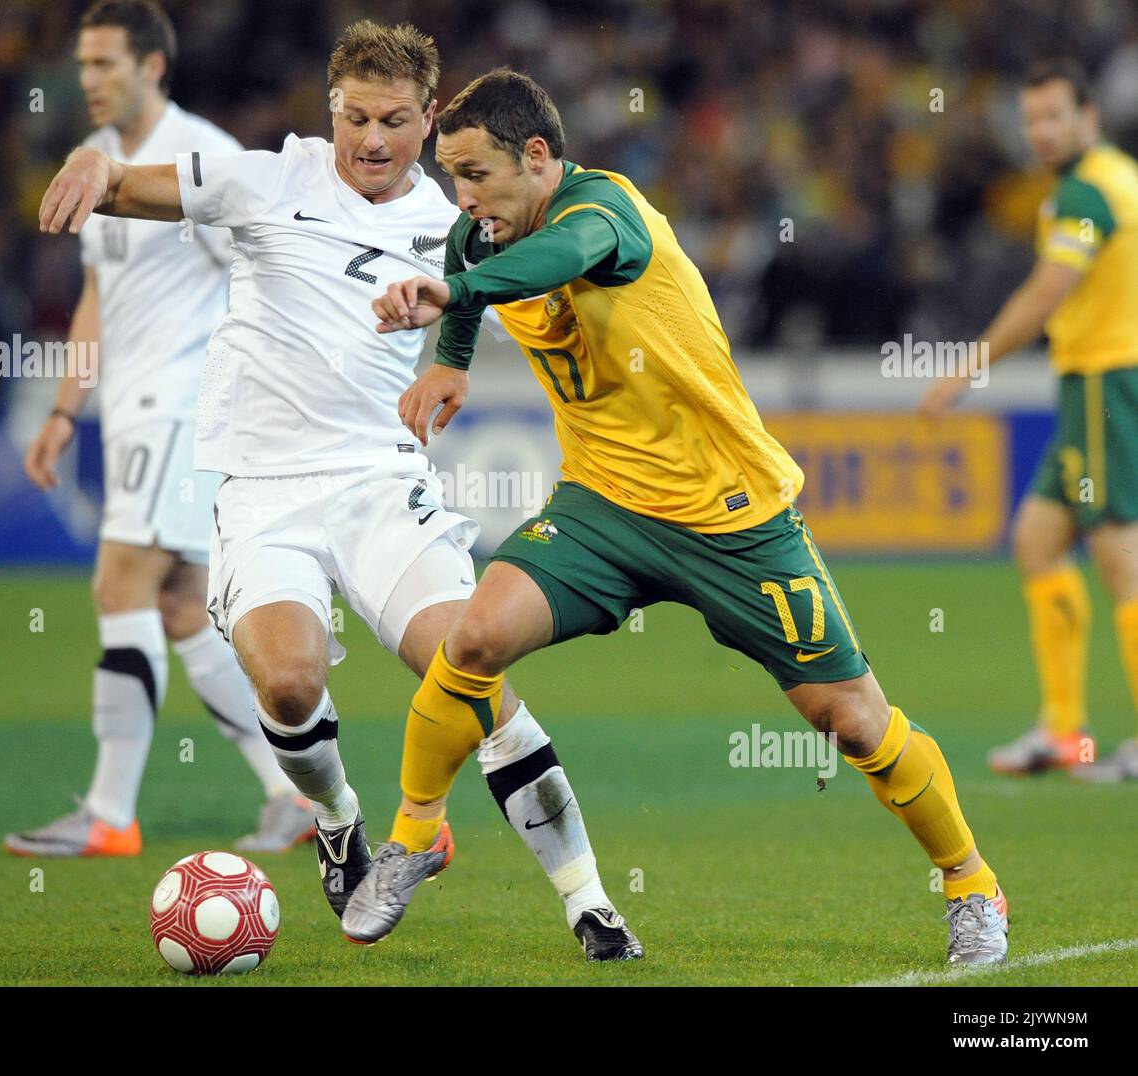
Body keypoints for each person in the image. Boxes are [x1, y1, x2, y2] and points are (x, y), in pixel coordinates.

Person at [346, 68, 1008, 966]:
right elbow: (471, 262)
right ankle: (415, 835)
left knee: (850, 718)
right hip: (603, 507)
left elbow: (551, 262)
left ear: (538, 157)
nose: (463, 200)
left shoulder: (603, 216)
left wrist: (457, 300)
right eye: (451, 176)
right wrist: (453, 358)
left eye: (478, 175)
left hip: (730, 514)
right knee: (474, 637)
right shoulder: (482, 232)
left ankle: (970, 884)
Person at [36, 23, 639, 957]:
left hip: (381, 482)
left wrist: (454, 358)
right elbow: (126, 182)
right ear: (331, 111)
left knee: (470, 670)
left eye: (394, 121)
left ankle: (590, 902)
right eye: (355, 116)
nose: (371, 138)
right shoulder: (269, 179)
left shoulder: (456, 227)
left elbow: (519, 300)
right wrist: (88, 161)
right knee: (287, 681)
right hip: (265, 487)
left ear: (429, 119)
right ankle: (339, 819)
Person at [7, 0, 313, 858]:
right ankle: (293, 795)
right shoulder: (99, 162)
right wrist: (66, 410)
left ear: (153, 67)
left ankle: (109, 813)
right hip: (130, 408)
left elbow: (263, 276)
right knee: (181, 606)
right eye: (83, 65)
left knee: (119, 587)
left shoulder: (204, 160)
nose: (89, 80)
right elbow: (98, 297)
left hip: (182, 408)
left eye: (106, 63)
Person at [922, 59, 1138, 783]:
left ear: (1088, 117)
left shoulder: (1087, 193)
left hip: (1111, 382)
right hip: (1091, 385)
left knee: (1120, 559)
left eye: (1054, 117)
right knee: (1038, 541)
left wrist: (965, 369)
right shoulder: (1110, 180)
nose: (1041, 132)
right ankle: (1063, 733)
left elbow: (1048, 292)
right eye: (1031, 120)